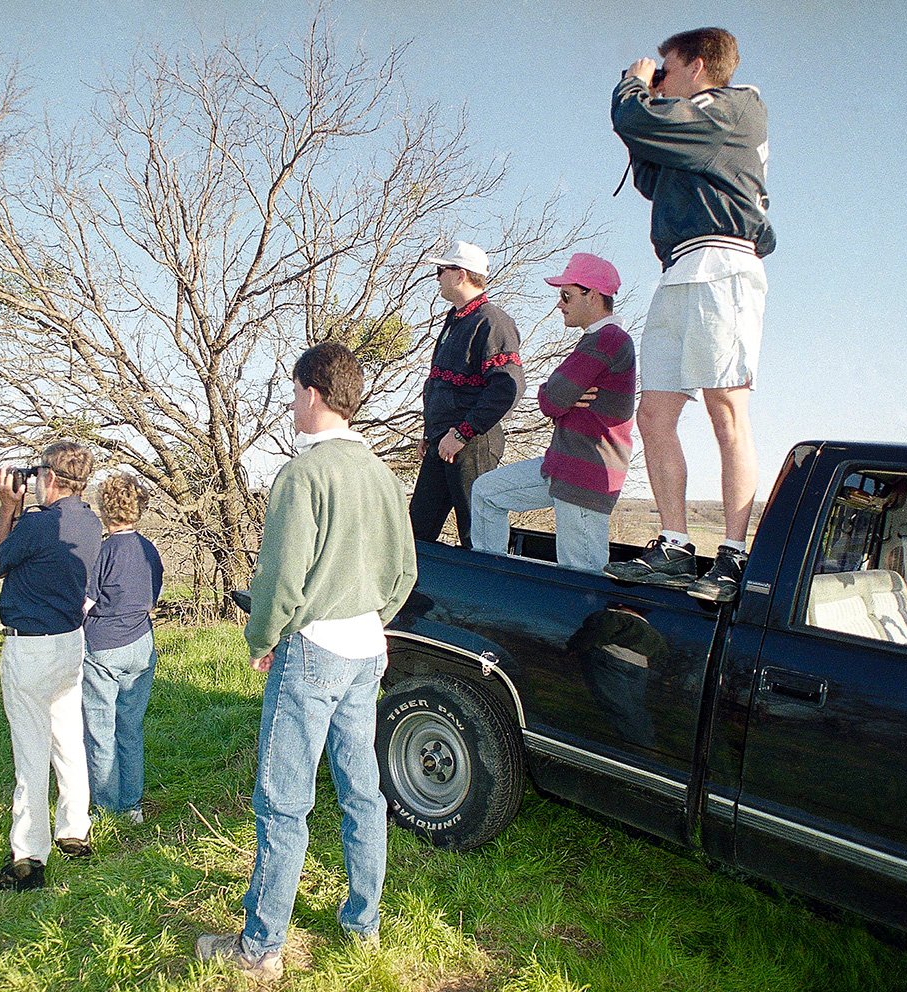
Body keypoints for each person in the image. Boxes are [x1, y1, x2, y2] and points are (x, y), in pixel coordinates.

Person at [196, 342, 417, 980]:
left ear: (314, 394)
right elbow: (404, 572)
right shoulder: (381, 473)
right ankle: (364, 925)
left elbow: (280, 581)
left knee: (283, 802)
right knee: (363, 792)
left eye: (295, 392)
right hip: (366, 651)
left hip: (314, 649)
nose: (291, 403)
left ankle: (260, 948)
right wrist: (373, 620)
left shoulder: (302, 474)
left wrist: (262, 639)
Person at [606, 27, 775, 602]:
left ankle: (732, 554)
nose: (661, 76)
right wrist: (646, 112)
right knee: (654, 414)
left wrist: (633, 85)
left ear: (699, 66)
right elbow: (650, 169)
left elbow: (638, 122)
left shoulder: (732, 109)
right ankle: (674, 545)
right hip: (678, 267)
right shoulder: (693, 123)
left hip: (724, 264)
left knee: (725, 410)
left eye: (668, 68)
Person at [0, 442, 102, 891]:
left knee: (29, 750)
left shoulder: (39, 524)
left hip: (30, 647)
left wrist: (7, 507)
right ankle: (74, 829)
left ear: (48, 477)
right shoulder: (90, 521)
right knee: (67, 737)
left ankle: (28, 856)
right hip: (70, 641)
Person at [469, 253, 636, 572]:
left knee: (582, 580)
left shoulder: (609, 339)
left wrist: (559, 397)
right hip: (560, 465)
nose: (559, 304)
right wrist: (559, 395)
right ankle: (491, 589)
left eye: (566, 295)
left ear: (594, 296)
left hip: (586, 473)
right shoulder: (595, 341)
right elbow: (553, 397)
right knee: (487, 493)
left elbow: (552, 399)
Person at [409, 240, 523, 550]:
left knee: (478, 539)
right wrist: (430, 433)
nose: (437, 277)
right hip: (441, 441)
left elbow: (507, 388)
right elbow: (443, 388)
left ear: (460, 274)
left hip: (471, 445)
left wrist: (462, 433)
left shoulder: (492, 321)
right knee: (415, 534)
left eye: (441, 270)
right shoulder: (455, 320)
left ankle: (486, 599)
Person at [82, 472, 164, 825]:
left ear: (104, 508)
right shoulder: (149, 549)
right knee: (130, 727)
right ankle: (132, 807)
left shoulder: (100, 552)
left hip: (104, 647)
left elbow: (84, 604)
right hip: (142, 644)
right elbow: (152, 597)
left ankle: (105, 807)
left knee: (101, 729)